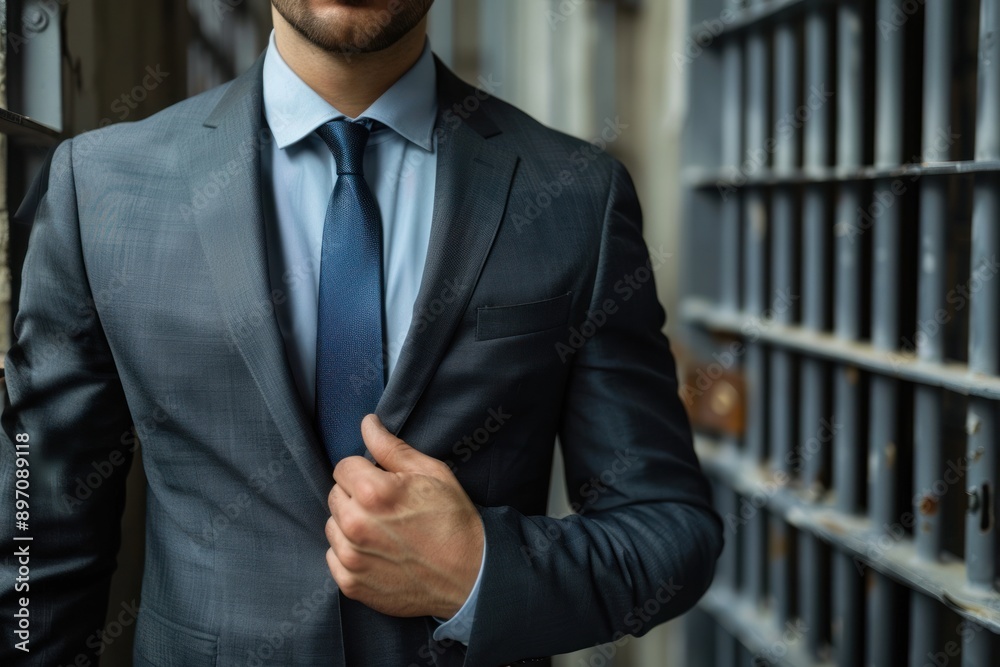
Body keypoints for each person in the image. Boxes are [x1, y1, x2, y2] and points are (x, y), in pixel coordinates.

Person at [0, 1, 722, 665]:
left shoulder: (575, 195)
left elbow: (670, 531)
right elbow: (36, 525)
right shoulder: (98, 187)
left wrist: (483, 570)